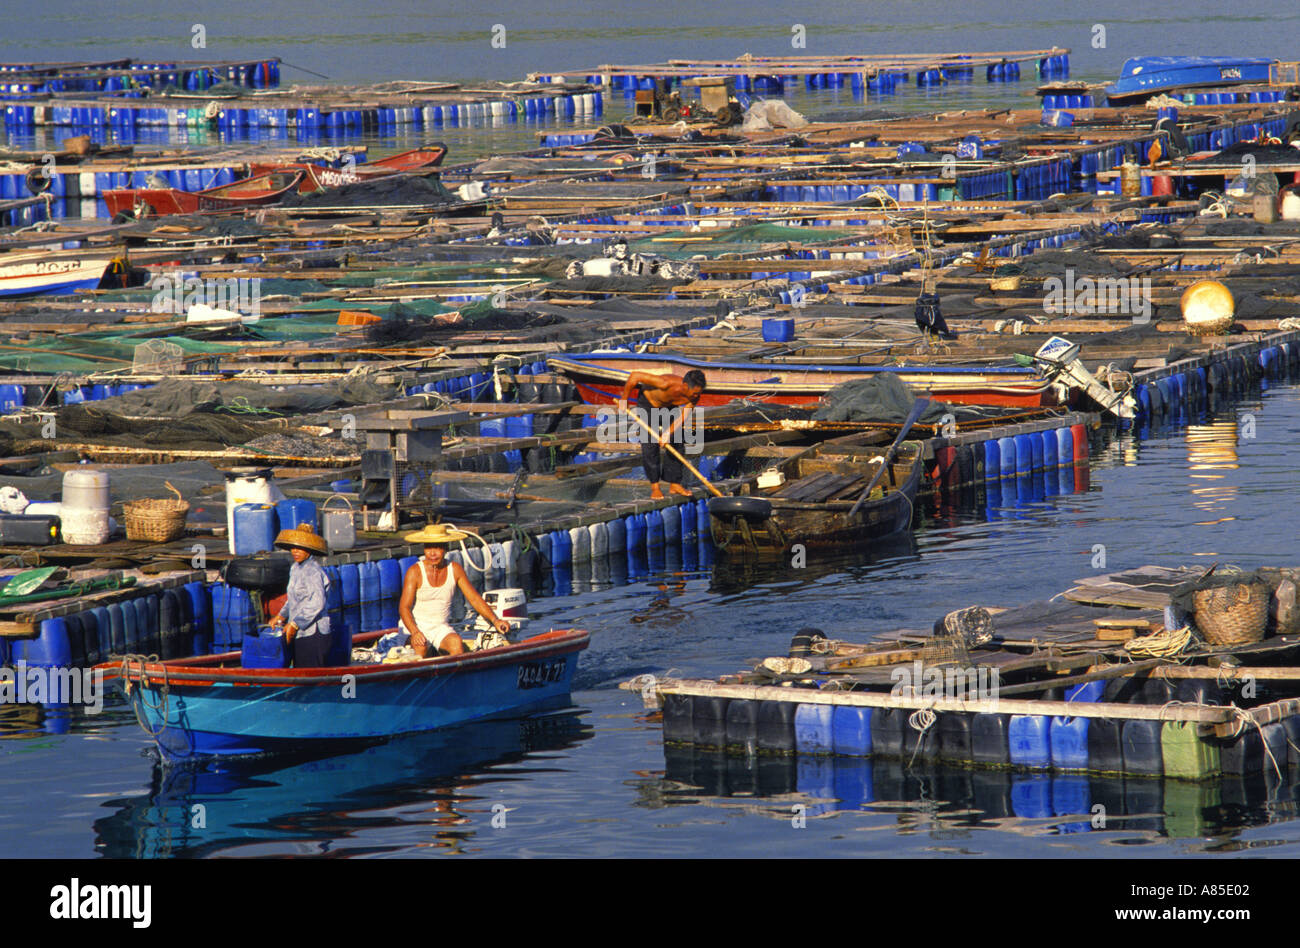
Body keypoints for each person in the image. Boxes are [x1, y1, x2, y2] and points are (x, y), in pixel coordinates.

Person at [399, 524, 510, 658]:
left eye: (437, 547)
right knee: (420, 647)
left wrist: (495, 620)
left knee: (456, 643)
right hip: (415, 627)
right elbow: (404, 608)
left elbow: (474, 599)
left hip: (440, 628)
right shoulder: (414, 572)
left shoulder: (455, 569)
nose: (432, 553)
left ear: (445, 548)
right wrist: (415, 632)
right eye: (429, 548)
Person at [617, 368, 706, 499]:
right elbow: (634, 376)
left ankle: (675, 484)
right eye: (695, 393)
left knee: (677, 441)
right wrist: (624, 400)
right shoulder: (665, 383)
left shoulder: (694, 397)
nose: (697, 396)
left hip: (669, 408)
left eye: (699, 393)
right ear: (686, 386)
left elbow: (683, 416)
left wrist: (667, 433)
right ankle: (655, 487)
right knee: (650, 445)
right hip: (648, 405)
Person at [268, 523, 334, 668]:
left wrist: (295, 623)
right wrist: (281, 615)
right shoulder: (295, 568)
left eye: (300, 548)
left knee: (310, 671)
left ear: (309, 550)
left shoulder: (313, 571)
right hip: (300, 631)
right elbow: (293, 599)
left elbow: (317, 603)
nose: (295, 551)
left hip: (313, 633)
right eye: (293, 547)